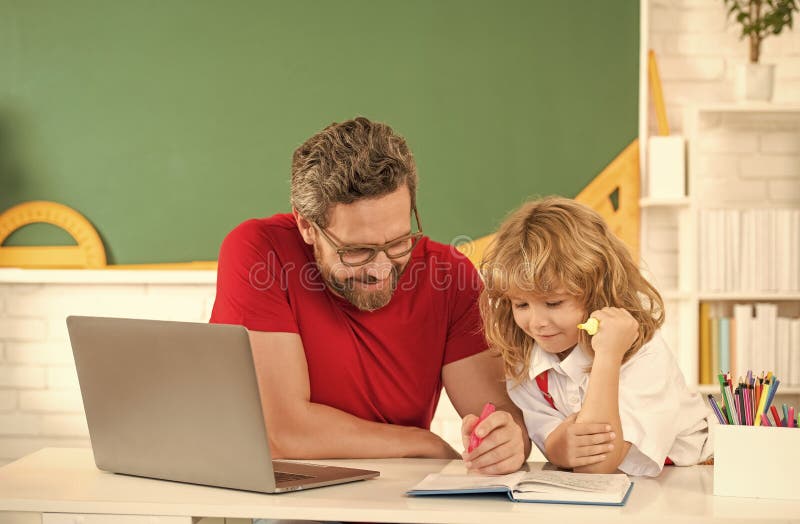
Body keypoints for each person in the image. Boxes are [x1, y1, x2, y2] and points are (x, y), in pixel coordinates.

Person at [210, 117, 529, 474]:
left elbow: (500, 415)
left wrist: (508, 440)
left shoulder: (450, 275)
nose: (380, 269)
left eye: (398, 242)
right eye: (357, 250)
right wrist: (424, 444)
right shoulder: (259, 251)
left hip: (397, 493)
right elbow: (282, 433)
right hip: (285, 493)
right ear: (307, 226)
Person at [476, 196, 713, 477]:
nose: (537, 323)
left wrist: (608, 355)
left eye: (553, 303)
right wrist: (562, 447)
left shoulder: (642, 351)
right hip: (627, 485)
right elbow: (554, 445)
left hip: (697, 475)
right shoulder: (525, 363)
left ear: (596, 291)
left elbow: (596, 465)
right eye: (521, 305)